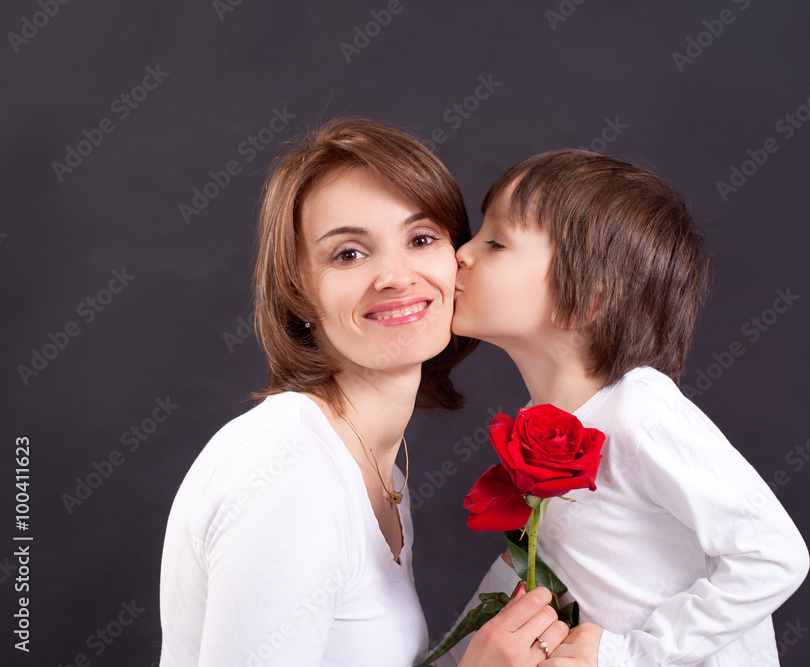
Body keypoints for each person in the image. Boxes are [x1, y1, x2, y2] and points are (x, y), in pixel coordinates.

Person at [158, 118, 568, 666]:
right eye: (349, 254)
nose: (395, 276)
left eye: (421, 239)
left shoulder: (380, 469)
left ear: (457, 259)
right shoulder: (291, 472)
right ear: (299, 288)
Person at [444, 149, 810, 666]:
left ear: (583, 303)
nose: (460, 252)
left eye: (496, 242)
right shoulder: (542, 420)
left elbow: (773, 555)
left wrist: (631, 656)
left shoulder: (641, 411)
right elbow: (535, 568)